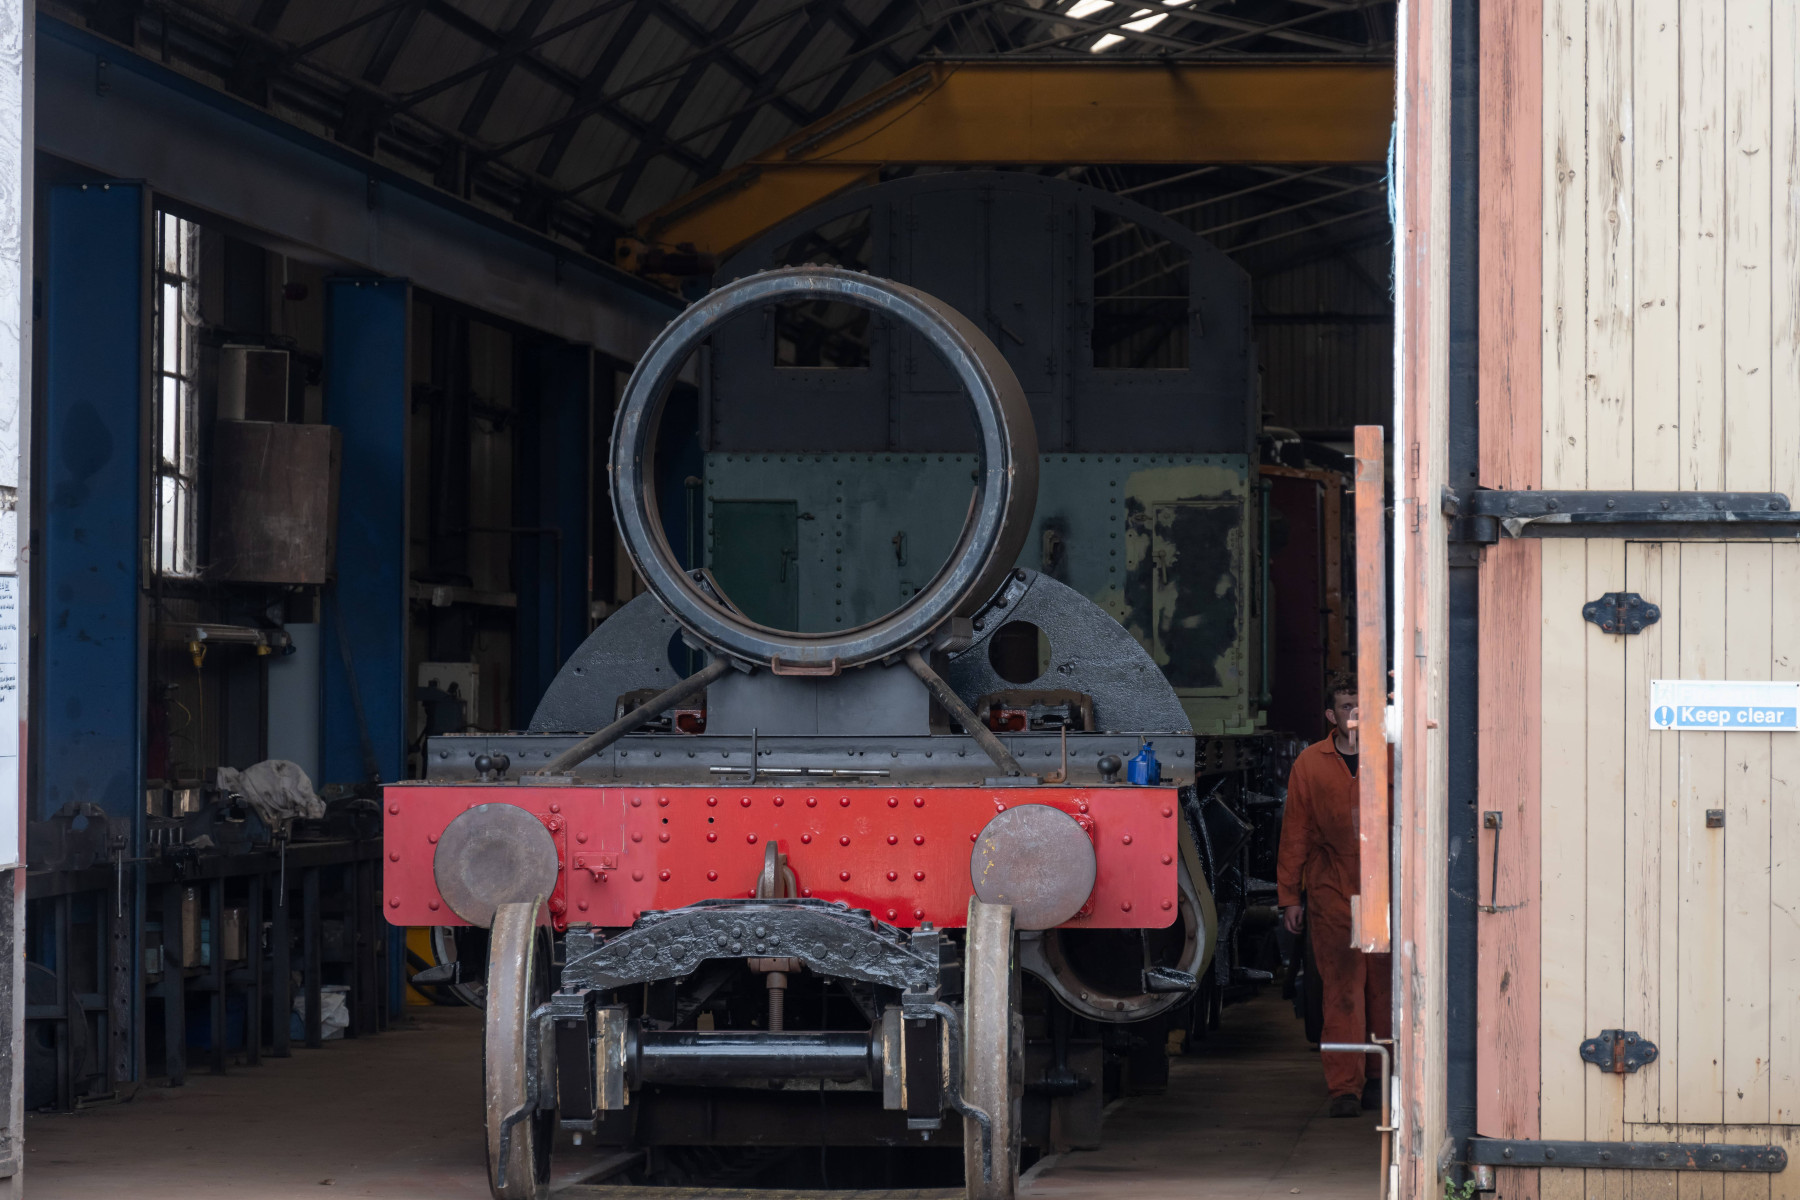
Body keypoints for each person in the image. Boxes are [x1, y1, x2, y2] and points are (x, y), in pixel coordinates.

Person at [1277, 671, 1392, 1118]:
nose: (1355, 714)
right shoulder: (1310, 764)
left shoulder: (1392, 757)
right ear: (1332, 715)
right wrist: (1290, 896)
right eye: (1346, 707)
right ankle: (1345, 1087)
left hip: (1385, 888)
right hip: (1332, 890)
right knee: (1342, 989)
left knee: (1383, 988)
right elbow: (1296, 833)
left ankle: (1379, 1077)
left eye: (1362, 706)